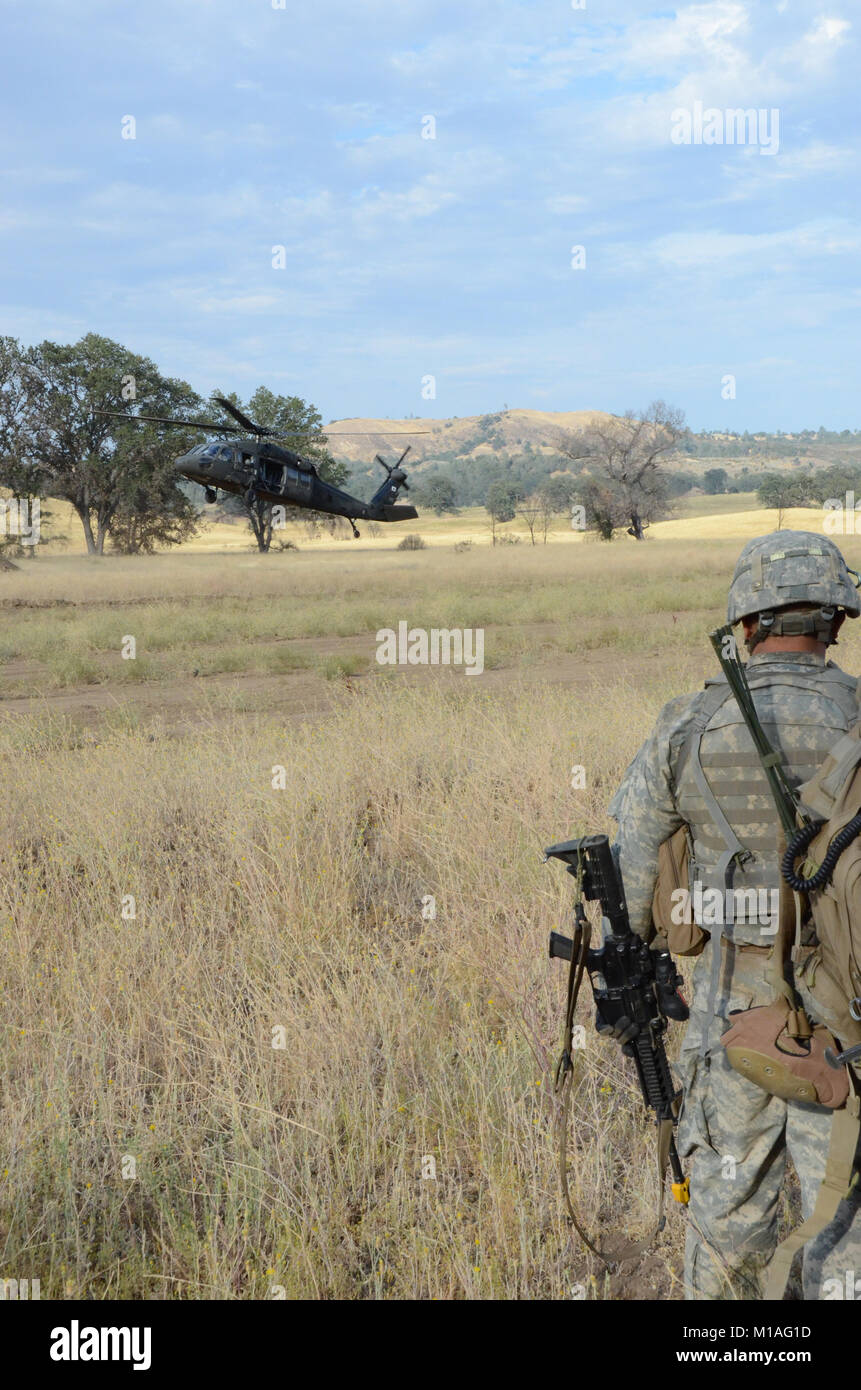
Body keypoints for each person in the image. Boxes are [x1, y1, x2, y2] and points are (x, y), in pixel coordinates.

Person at [608, 531, 861, 1299]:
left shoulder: (686, 724)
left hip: (729, 1005)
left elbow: (631, 878)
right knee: (844, 1226)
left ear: (745, 624)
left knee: (724, 1222)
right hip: (850, 1018)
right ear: (835, 622)